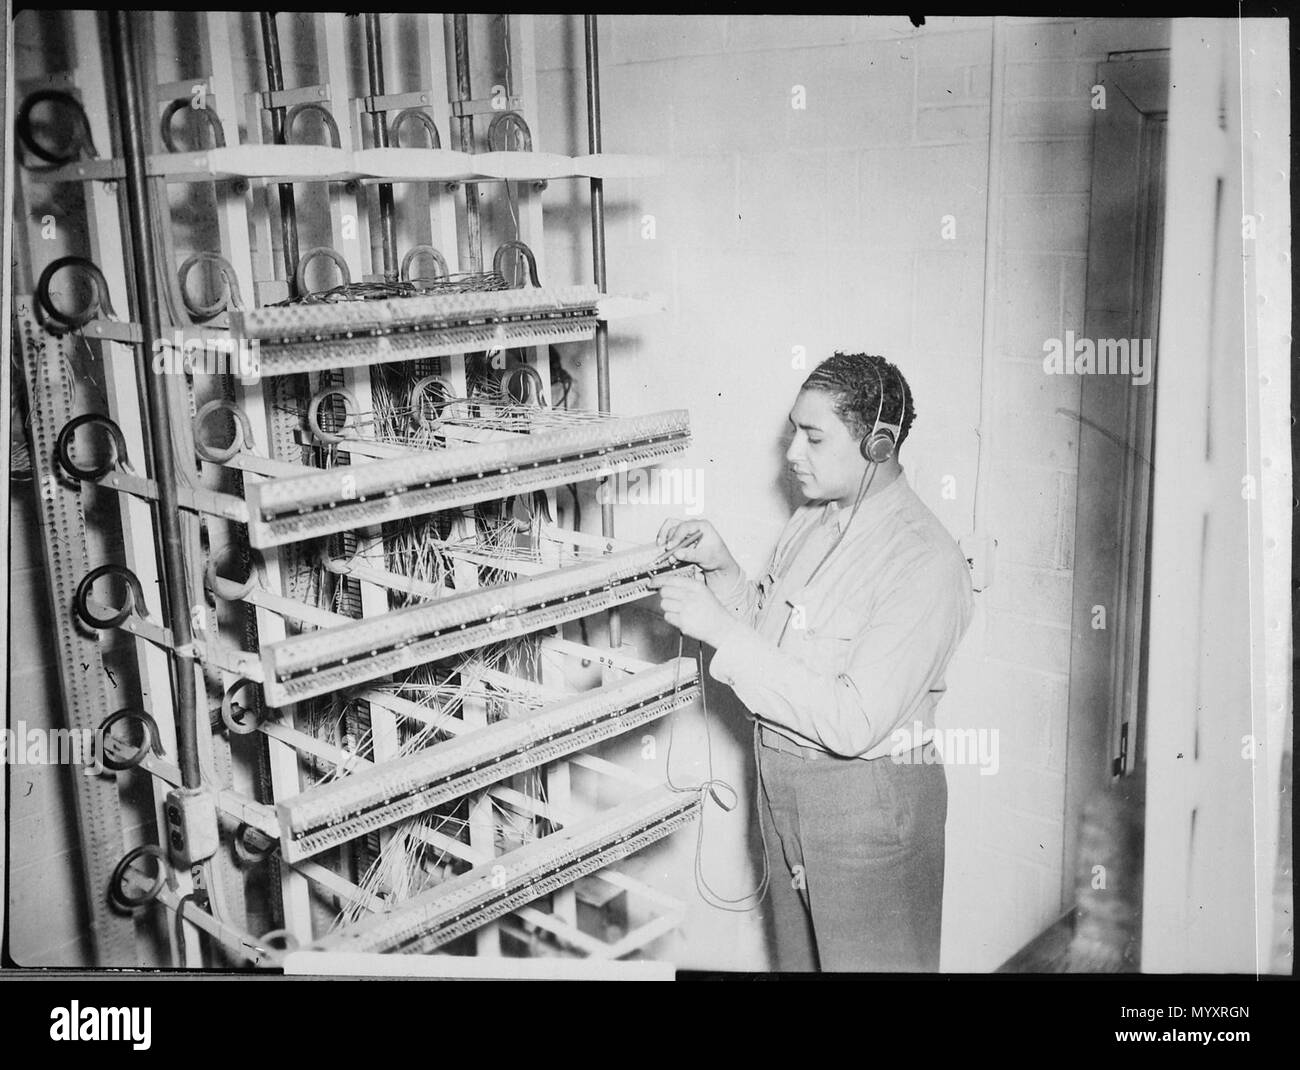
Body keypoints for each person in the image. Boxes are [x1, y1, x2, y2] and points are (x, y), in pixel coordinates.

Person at [648, 351, 974, 972]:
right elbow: (772, 640)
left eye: (814, 437)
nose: (792, 452)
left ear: (877, 445)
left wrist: (717, 628)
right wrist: (724, 571)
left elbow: (854, 722)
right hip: (785, 786)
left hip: (867, 803)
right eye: (795, 430)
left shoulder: (923, 561)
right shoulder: (812, 521)